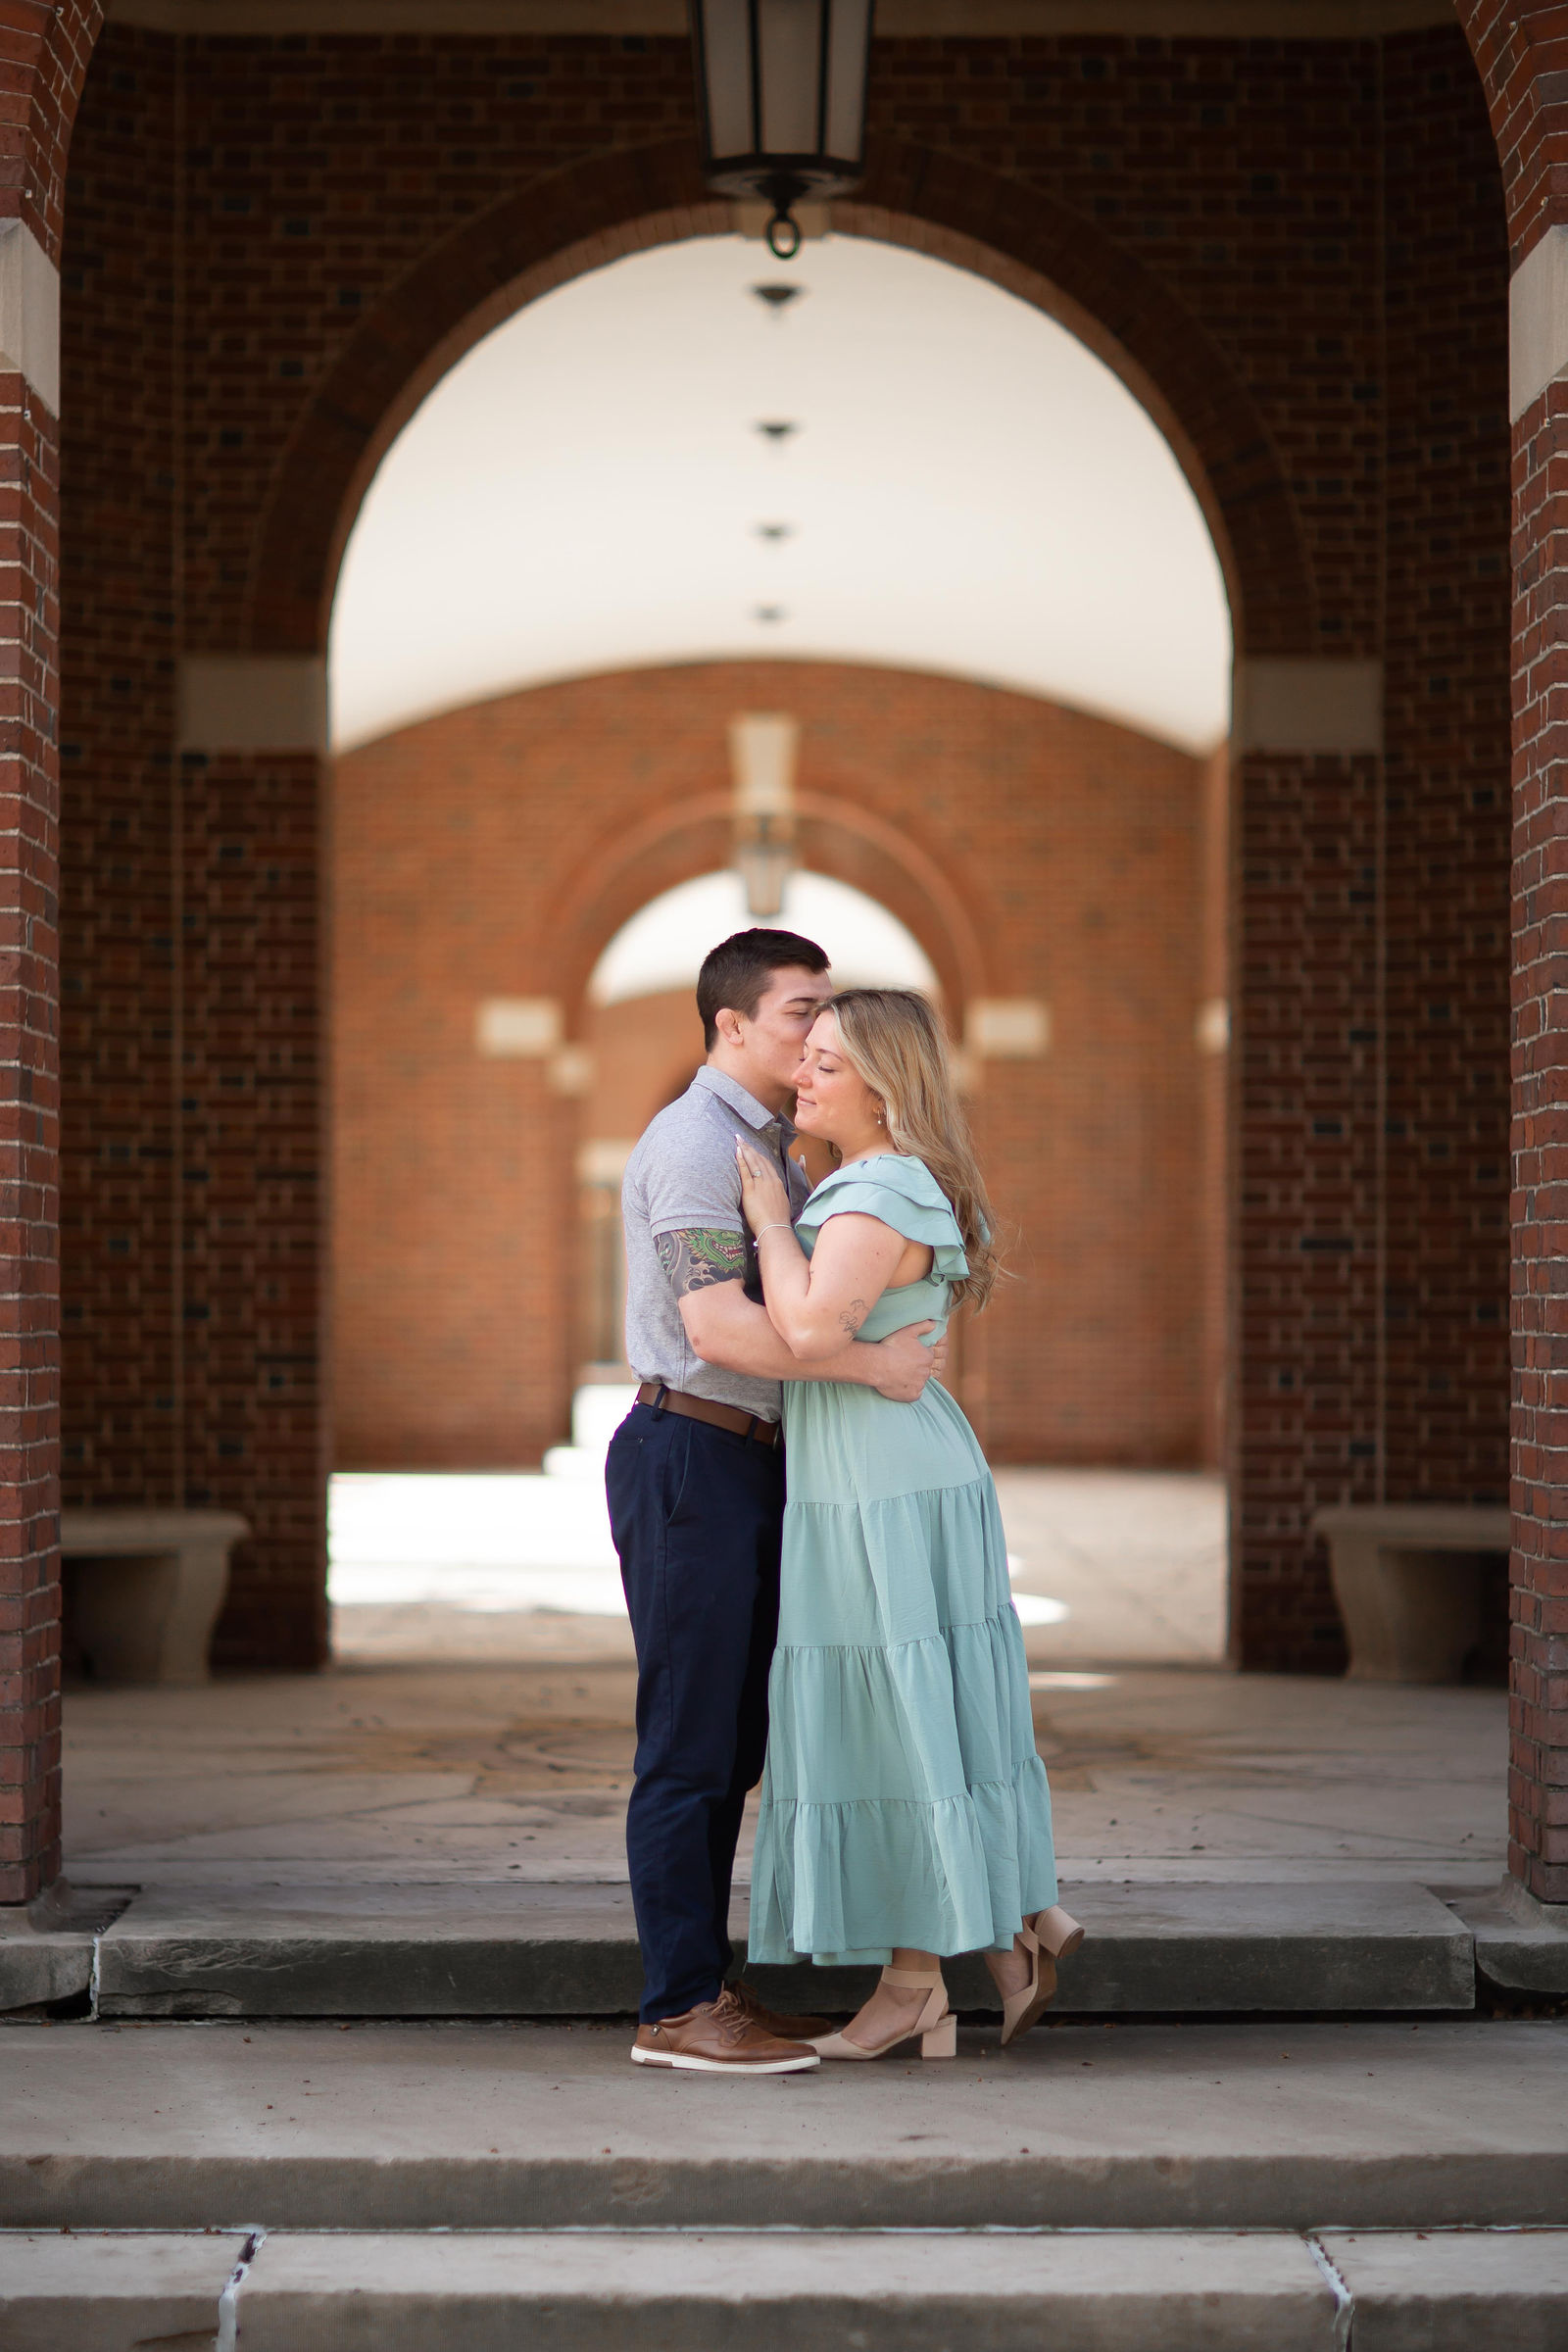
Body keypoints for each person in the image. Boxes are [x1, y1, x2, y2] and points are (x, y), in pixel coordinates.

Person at [608, 931, 951, 2077]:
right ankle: (675, 2008)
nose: (818, 1033)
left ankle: (712, 1989)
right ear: (731, 1026)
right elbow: (715, 1328)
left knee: (739, 1739)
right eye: (800, 1011)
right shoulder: (702, 1144)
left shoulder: (779, 1147)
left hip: (755, 1459)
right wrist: (869, 1369)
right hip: (692, 1454)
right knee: (690, 1746)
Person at [735, 986, 1083, 2060]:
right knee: (907, 1715)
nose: (802, 1073)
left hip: (880, 1481)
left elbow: (801, 1327)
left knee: (896, 1714)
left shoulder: (879, 1187)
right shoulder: (872, 1183)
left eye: (827, 1063)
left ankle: (947, 1966)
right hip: (880, 1467)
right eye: (808, 1056)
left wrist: (761, 1220)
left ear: (886, 1091)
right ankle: (957, 1959)